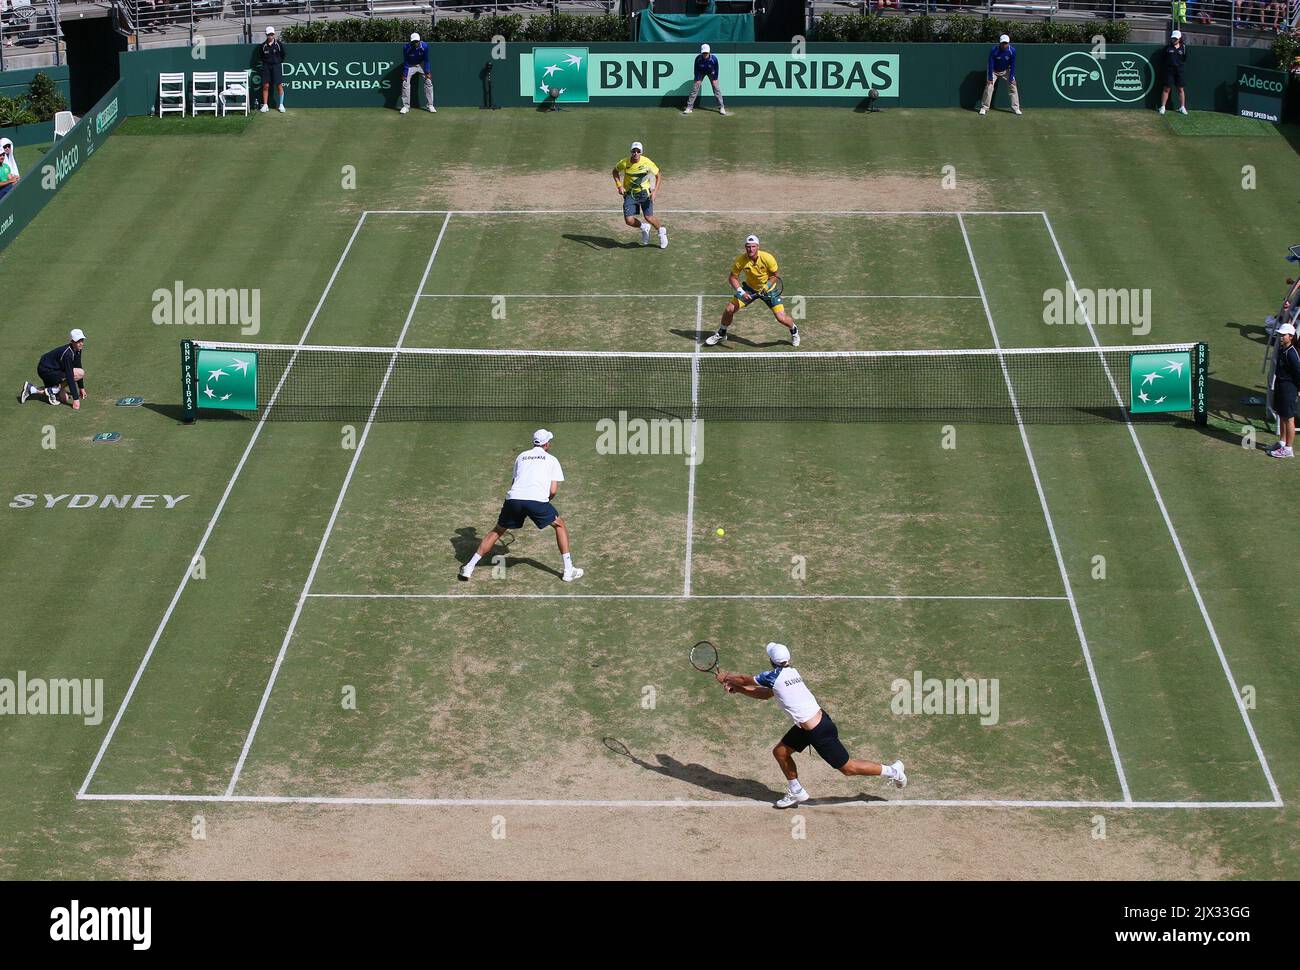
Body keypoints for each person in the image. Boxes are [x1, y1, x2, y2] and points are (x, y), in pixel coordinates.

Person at [717, 642, 906, 808]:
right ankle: (796, 790)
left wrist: (727, 677)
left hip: (819, 731)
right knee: (780, 752)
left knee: (848, 768)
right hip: (810, 725)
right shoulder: (791, 673)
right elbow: (765, 694)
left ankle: (893, 771)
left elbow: (744, 678)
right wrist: (739, 690)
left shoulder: (774, 676)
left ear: (772, 661)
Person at [459, 429, 584, 583]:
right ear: (547, 444)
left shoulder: (521, 457)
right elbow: (553, 491)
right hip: (536, 501)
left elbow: (514, 483)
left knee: (497, 530)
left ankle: (469, 567)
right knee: (560, 525)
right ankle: (568, 570)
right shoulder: (552, 460)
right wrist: (541, 503)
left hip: (514, 499)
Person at [704, 234, 800, 348]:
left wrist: (767, 286)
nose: (751, 249)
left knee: (781, 318)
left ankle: (794, 330)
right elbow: (732, 278)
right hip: (750, 289)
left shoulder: (768, 258)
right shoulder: (741, 260)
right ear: (745, 247)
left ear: (758, 247)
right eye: (748, 247)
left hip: (769, 290)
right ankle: (722, 333)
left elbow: (775, 276)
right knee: (729, 309)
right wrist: (741, 292)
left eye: (753, 246)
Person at [611, 141, 667, 249]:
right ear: (631, 152)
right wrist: (619, 186)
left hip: (644, 193)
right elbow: (615, 171)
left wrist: (654, 192)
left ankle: (661, 232)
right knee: (629, 220)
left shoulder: (647, 162)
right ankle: (644, 227)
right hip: (630, 194)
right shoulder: (625, 162)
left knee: (648, 217)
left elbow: (658, 175)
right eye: (633, 151)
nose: (635, 153)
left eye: (638, 151)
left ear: (641, 152)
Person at [19, 328, 88, 410]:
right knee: (80, 373)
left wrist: (81, 388)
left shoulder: (78, 350)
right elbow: (70, 375)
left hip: (54, 370)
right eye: (78, 341)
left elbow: (78, 365)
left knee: (64, 398)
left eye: (82, 340)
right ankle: (54, 389)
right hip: (46, 371)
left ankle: (31, 389)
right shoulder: (68, 354)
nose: (81, 343)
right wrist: (76, 399)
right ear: (72, 341)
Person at [1268, 322, 1300, 458]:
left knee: (1289, 418)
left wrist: (1299, 389)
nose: (1280, 337)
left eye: (1283, 335)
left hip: (1289, 388)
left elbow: (1298, 372)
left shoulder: (1292, 354)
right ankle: (1282, 442)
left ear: (1291, 336)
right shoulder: (1283, 349)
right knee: (1281, 414)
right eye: (1280, 334)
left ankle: (1289, 448)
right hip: (1281, 386)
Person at [979, 34, 1021, 116]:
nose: (1004, 45)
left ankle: (1016, 108)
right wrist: (990, 78)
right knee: (989, 86)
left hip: (1006, 70)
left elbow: (1012, 65)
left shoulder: (1012, 51)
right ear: (1000, 43)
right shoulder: (994, 50)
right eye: (1003, 43)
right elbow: (990, 64)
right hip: (994, 71)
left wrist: (1011, 78)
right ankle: (984, 108)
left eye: (1006, 43)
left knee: (1013, 86)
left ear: (1008, 43)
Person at [683, 43, 727, 116]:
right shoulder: (698, 59)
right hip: (700, 72)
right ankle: (689, 107)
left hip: (711, 73)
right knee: (695, 88)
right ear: (701, 52)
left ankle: (721, 107)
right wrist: (697, 79)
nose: (705, 54)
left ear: (709, 52)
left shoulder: (714, 59)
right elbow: (696, 70)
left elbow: (717, 69)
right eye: (704, 53)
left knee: (716, 88)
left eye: (706, 53)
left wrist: (715, 79)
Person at [400, 31, 436, 115]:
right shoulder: (406, 47)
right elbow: (406, 61)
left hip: (422, 64)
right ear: (410, 42)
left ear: (420, 41)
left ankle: (430, 105)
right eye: (413, 42)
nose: (415, 43)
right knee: (405, 83)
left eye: (417, 41)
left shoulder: (425, 46)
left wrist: (427, 72)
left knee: (428, 82)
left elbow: (426, 60)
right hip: (410, 65)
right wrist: (405, 74)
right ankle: (406, 106)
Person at [1158, 31, 1189, 116]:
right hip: (1169, 71)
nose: (1174, 39)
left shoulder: (1184, 48)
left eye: (1176, 38)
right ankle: (1163, 107)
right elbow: (1163, 58)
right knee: (1166, 89)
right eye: (1173, 38)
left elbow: (1184, 59)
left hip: (1179, 71)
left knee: (1180, 89)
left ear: (1179, 38)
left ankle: (1182, 107)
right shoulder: (1167, 48)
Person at [259, 26, 286, 114]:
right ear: (266, 35)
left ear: (274, 34)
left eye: (272, 34)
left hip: (276, 66)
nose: (270, 36)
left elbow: (283, 55)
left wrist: (277, 62)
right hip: (266, 67)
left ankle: (281, 105)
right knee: (266, 86)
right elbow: (261, 57)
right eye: (268, 35)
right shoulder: (263, 46)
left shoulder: (278, 44)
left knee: (279, 86)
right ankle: (265, 105)